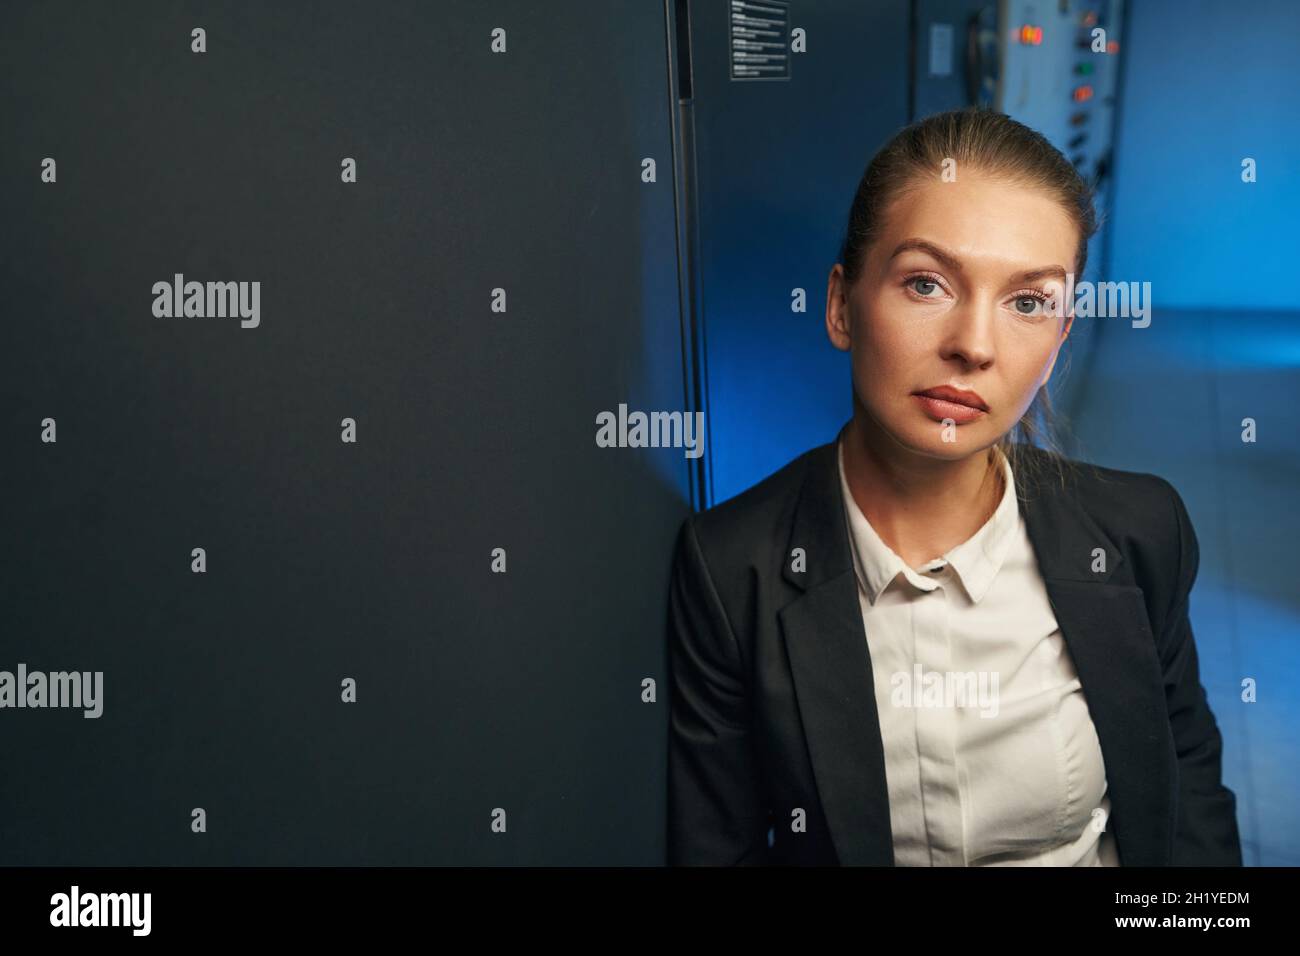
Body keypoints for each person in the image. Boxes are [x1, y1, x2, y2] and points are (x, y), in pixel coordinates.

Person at [666, 107, 1242, 867]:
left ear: (1060, 335)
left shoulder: (1138, 530)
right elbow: (717, 850)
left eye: (1028, 302)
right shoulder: (730, 566)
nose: (973, 345)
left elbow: (1187, 780)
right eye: (927, 283)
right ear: (841, 304)